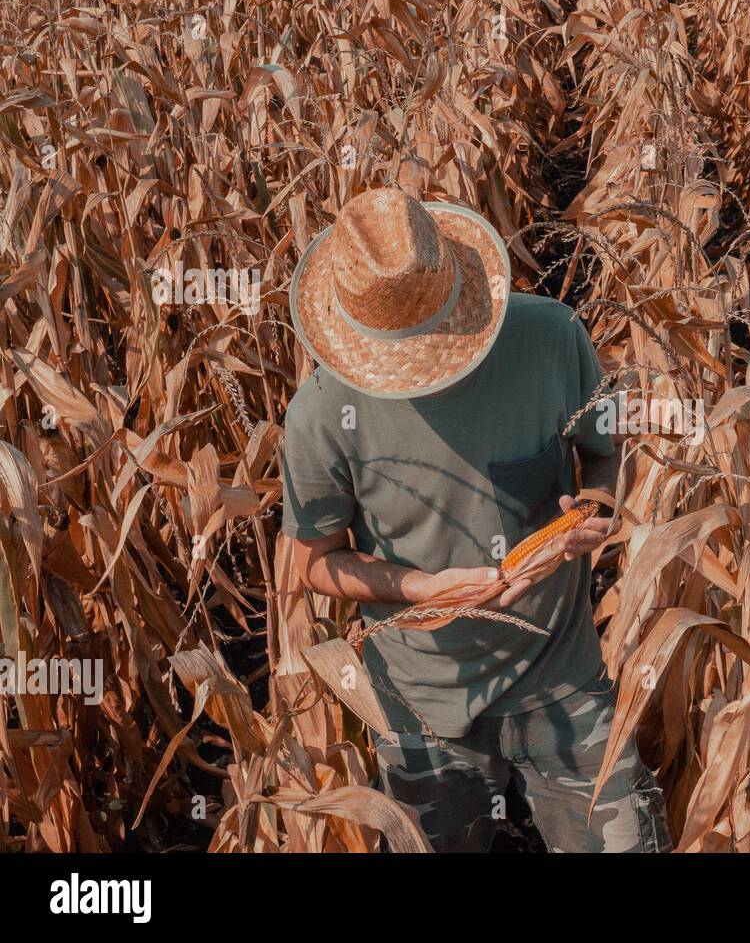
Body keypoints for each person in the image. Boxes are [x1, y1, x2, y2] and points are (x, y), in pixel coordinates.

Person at [280, 187, 669, 852]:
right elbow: (310, 563)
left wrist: (597, 511)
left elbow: (605, 453)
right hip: (420, 701)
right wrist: (420, 590)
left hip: (561, 676)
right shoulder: (322, 412)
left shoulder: (550, 338)